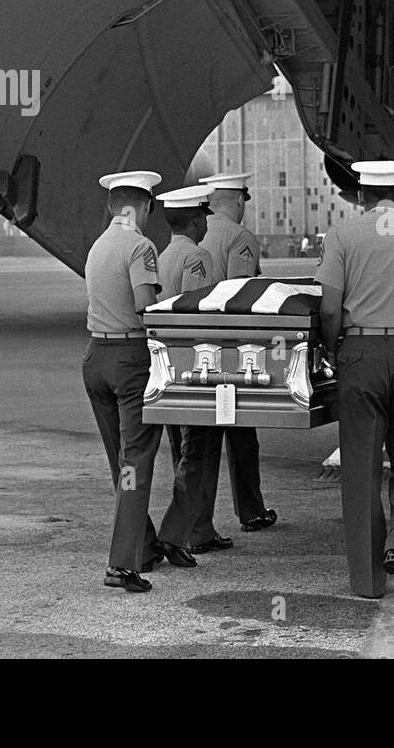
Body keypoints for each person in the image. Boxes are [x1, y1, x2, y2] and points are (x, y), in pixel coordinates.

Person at [317, 160, 394, 596]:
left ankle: (368, 582)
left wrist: (334, 349)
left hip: (361, 353)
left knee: (361, 465)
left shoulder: (342, 236)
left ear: (361, 196)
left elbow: (330, 308)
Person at [82, 170, 166, 593]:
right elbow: (144, 305)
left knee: (121, 460)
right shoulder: (140, 246)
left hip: (95, 356)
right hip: (130, 359)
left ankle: (144, 544)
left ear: (113, 208)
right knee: (138, 460)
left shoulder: (97, 246)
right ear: (144, 207)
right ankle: (122, 563)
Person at [192, 172, 278, 547]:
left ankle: (195, 523)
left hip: (191, 351)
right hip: (228, 353)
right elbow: (241, 296)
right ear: (239, 199)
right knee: (241, 435)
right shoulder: (239, 237)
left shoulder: (190, 233)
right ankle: (251, 510)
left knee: (196, 443)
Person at [151, 183, 219, 568]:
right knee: (198, 454)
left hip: (165, 367)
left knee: (183, 452)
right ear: (196, 219)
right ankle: (177, 535)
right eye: (204, 217)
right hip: (193, 368)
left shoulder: (161, 256)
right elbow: (199, 313)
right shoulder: (198, 257)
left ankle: (193, 530)